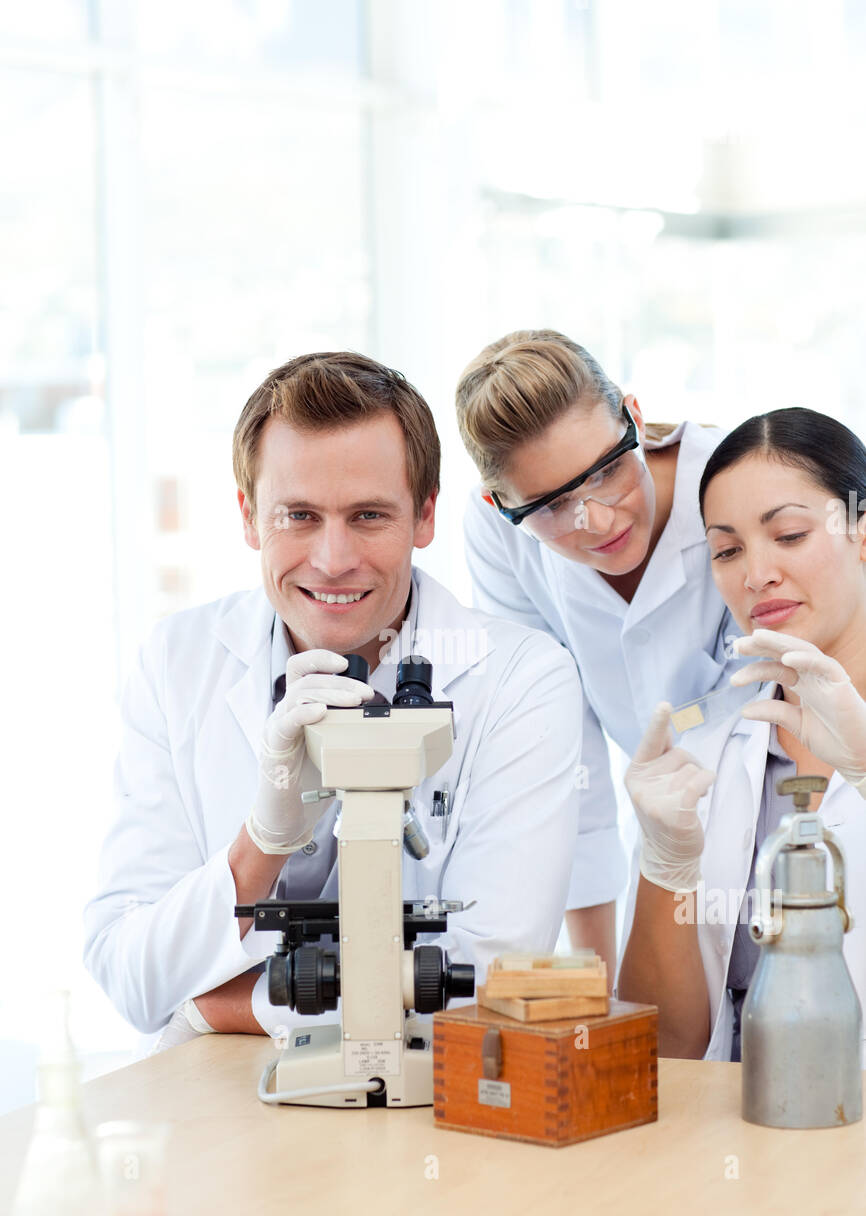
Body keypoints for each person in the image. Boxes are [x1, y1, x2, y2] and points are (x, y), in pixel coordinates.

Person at [84, 351, 583, 1049]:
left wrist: (222, 1006)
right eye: (299, 515)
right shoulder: (178, 663)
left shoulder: (522, 681)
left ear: (426, 515)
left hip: (424, 1116)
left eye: (370, 515)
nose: (333, 558)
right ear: (249, 518)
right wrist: (264, 840)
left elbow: (486, 984)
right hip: (214, 1117)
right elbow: (131, 976)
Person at [456, 328, 739, 974]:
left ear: (634, 417)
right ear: (500, 507)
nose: (600, 520)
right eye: (554, 505)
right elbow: (564, 750)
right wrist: (596, 989)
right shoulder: (502, 540)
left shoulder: (731, 479)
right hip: (665, 842)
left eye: (609, 470)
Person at [618, 407, 866, 1061]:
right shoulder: (702, 754)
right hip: (746, 1140)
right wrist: (665, 863)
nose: (755, 574)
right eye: (727, 550)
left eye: (788, 534)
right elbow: (663, 1046)